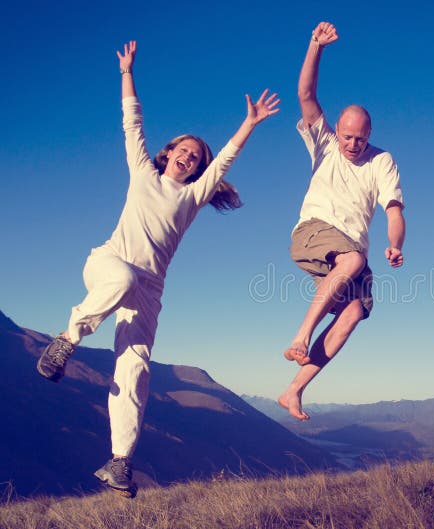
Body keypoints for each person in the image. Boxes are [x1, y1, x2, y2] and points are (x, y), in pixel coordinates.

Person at [34, 40, 280, 497]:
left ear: (198, 169)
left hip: (149, 290)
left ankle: (119, 462)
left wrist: (249, 124)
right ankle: (66, 340)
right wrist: (127, 72)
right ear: (167, 154)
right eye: (183, 150)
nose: (188, 157)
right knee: (121, 277)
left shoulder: (192, 197)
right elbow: (132, 124)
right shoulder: (144, 173)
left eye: (195, 157)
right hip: (108, 265)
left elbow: (225, 158)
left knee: (135, 368)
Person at [279, 22, 405, 421]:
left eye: (359, 139)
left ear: (369, 135)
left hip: (350, 250)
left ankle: (294, 391)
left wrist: (395, 244)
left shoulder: (382, 161)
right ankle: (301, 335)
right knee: (351, 260)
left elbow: (394, 209)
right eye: (347, 137)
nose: (352, 145)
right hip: (314, 232)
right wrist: (315, 45)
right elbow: (306, 94)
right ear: (338, 131)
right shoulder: (325, 143)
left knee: (353, 313)